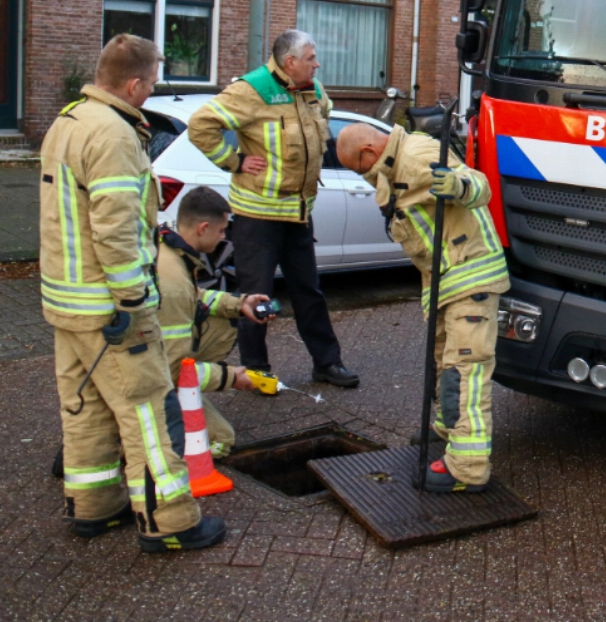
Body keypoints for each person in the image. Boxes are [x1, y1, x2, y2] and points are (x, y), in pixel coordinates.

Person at [40, 34, 224, 552]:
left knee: (85, 407)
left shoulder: (67, 121)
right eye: (149, 85)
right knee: (145, 409)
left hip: (67, 302)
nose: (148, 94)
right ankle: (169, 522)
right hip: (109, 308)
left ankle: (94, 507)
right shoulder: (116, 135)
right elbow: (117, 230)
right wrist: (132, 301)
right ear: (135, 83)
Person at [336, 121, 509, 493]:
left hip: (469, 277)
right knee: (445, 364)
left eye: (358, 168)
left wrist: (459, 186)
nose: (363, 176)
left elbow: (480, 185)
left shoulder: (417, 156)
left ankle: (467, 468)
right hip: (446, 281)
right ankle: (449, 433)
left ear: (369, 152)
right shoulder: (392, 166)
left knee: (465, 370)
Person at [187, 30, 357, 387]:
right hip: (257, 217)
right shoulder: (252, 90)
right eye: (311, 58)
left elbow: (322, 120)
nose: (317, 64)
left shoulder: (314, 89)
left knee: (309, 292)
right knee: (256, 296)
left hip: (297, 214)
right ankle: (255, 370)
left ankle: (327, 363)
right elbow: (201, 125)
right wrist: (233, 161)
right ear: (289, 62)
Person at [156, 186, 276, 456]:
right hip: (154, 380)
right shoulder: (173, 281)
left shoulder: (168, 253)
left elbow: (194, 296)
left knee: (222, 318)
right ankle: (130, 435)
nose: (224, 238)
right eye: (221, 231)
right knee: (220, 441)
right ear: (203, 228)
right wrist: (230, 377)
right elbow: (173, 370)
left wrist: (238, 303)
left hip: (153, 365)